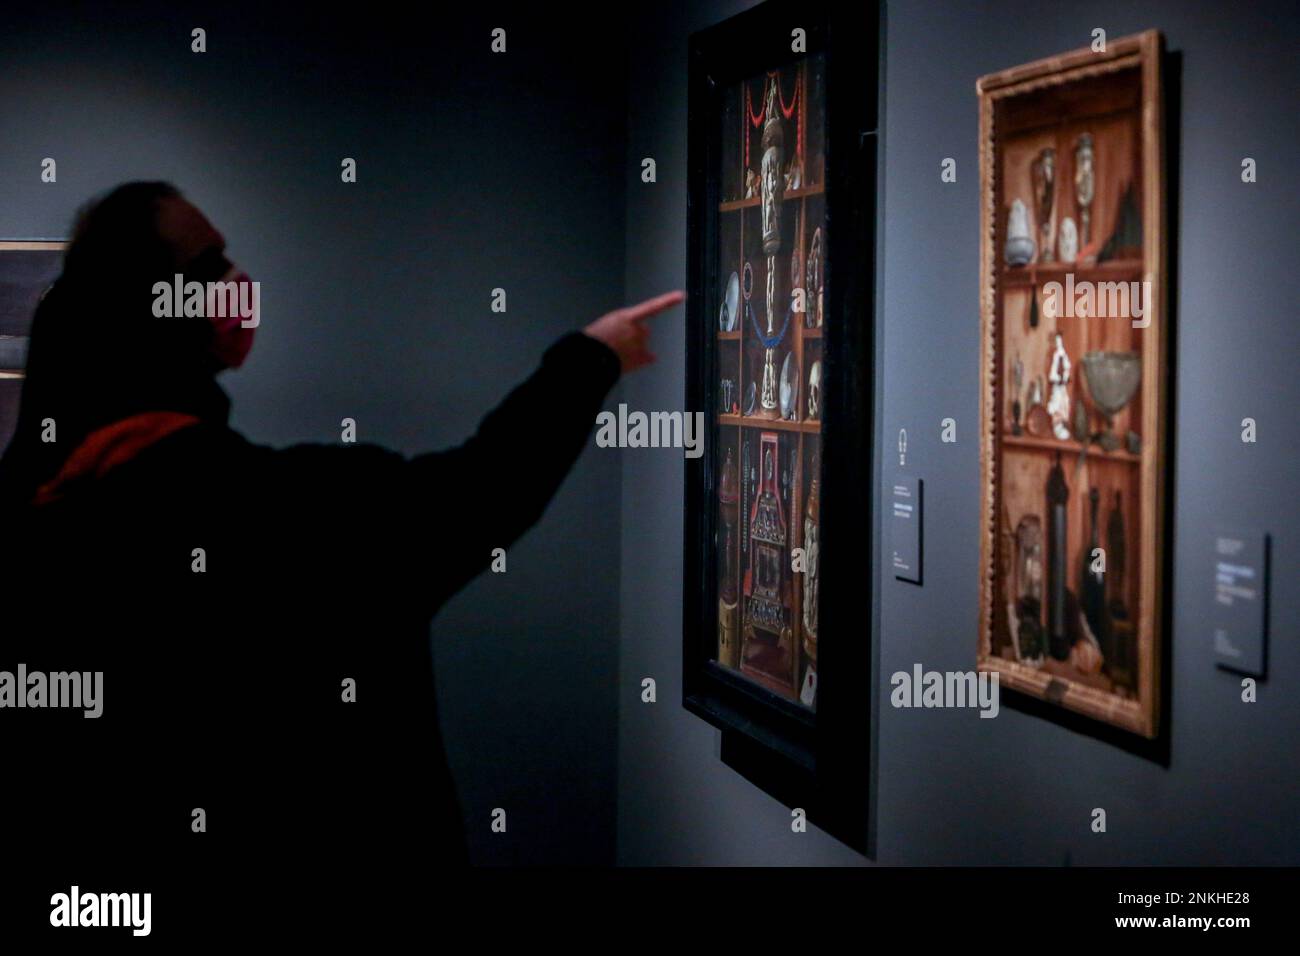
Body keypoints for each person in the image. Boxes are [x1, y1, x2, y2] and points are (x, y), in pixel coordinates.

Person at [0, 182, 681, 899]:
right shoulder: (274, 510)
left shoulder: (35, 510)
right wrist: (591, 358)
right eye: (212, 263)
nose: (239, 282)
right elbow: (474, 495)